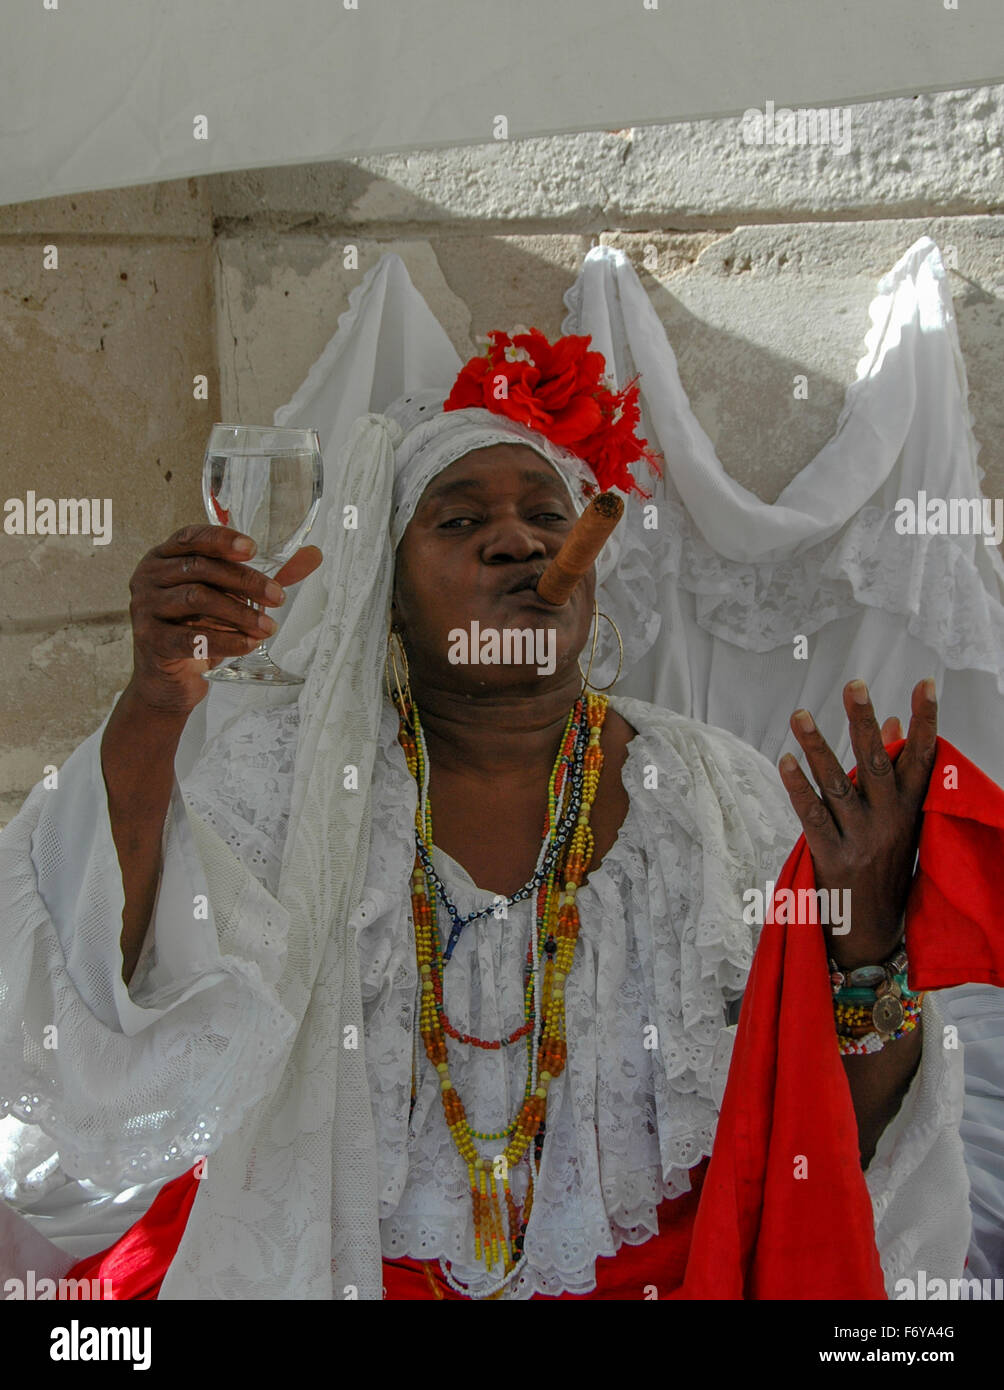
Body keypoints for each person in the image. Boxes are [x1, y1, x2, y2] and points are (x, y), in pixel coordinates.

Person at [0, 329, 979, 1299]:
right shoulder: (290, 780)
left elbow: (828, 1164)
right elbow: (103, 995)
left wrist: (867, 941)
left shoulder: (716, 796)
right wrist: (157, 700)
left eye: (547, 515)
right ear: (387, 596)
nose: (517, 539)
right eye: (459, 522)